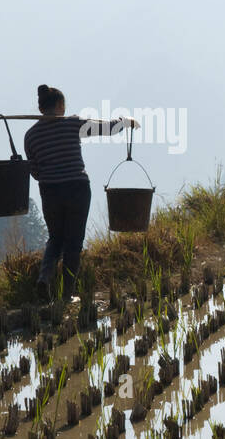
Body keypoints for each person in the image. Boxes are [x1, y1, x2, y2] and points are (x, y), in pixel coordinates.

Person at [23, 84, 139, 301]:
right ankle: (67, 293)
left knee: (55, 239)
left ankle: (45, 278)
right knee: (73, 243)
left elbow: (35, 172)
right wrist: (125, 121)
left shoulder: (30, 136)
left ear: (40, 109)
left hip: (50, 192)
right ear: (60, 105)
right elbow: (106, 128)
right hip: (77, 189)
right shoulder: (72, 124)